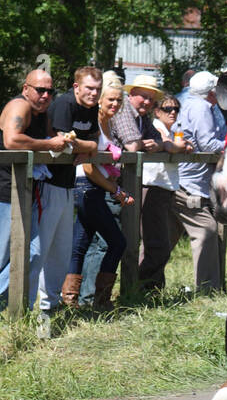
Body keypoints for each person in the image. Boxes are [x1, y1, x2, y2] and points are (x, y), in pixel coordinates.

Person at [0, 68, 74, 330]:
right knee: (0, 254)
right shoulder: (19, 106)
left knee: (34, 252)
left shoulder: (41, 114)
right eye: (40, 89)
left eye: (51, 91)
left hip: (25, 191)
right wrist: (49, 145)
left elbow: (53, 140)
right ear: (26, 89)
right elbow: (12, 141)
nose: (46, 95)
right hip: (4, 191)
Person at [60, 78, 136, 312]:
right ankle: (98, 301)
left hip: (95, 188)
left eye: (119, 100)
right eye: (110, 99)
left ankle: (74, 302)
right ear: (100, 100)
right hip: (86, 187)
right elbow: (89, 167)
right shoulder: (94, 122)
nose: (114, 104)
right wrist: (116, 190)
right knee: (117, 242)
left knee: (80, 244)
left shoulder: (108, 124)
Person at [39, 67, 101, 333]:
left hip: (67, 183)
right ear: (76, 87)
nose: (93, 94)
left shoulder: (91, 109)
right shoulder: (64, 104)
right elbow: (64, 144)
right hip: (47, 182)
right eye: (88, 88)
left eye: (97, 89)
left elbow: (95, 140)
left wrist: (87, 146)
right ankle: (41, 305)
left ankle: (52, 302)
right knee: (44, 244)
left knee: (63, 247)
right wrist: (89, 148)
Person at [175, 70, 227, 292]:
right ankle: (207, 288)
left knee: (164, 239)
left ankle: (210, 286)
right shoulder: (202, 107)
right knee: (207, 230)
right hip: (192, 183)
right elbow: (207, 144)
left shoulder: (192, 103)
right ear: (211, 92)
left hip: (191, 180)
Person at [136, 93, 190, 291]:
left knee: (157, 244)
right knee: (158, 245)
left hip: (163, 189)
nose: (173, 112)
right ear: (157, 112)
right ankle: (143, 287)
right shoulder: (157, 126)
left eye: (176, 109)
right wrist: (179, 146)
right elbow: (169, 144)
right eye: (168, 109)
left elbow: (173, 145)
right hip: (153, 188)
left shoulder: (170, 129)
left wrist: (181, 146)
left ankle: (151, 287)